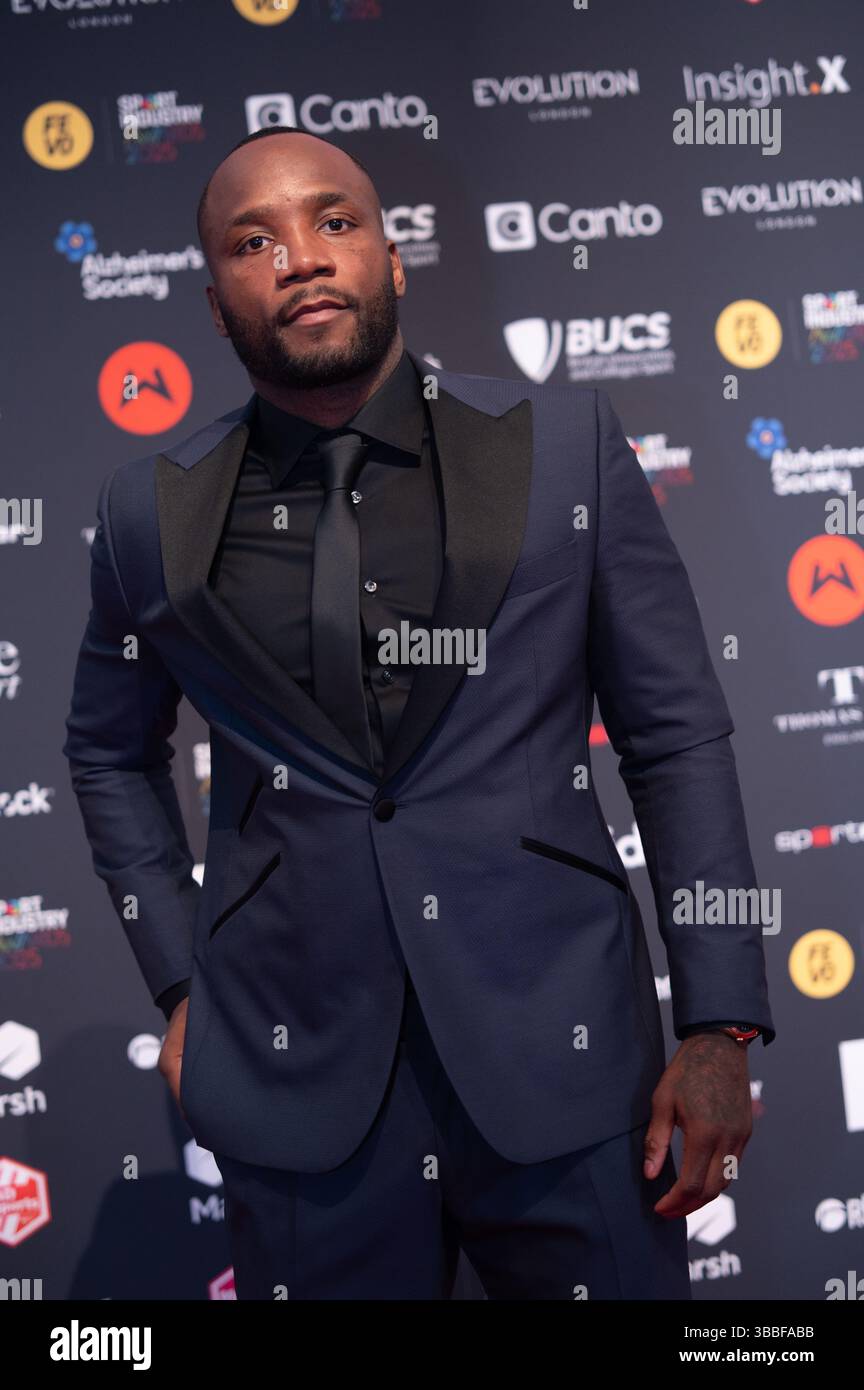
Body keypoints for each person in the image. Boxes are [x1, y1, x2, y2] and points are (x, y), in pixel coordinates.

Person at [63, 126, 775, 1300]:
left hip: (568, 1067)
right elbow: (104, 751)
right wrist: (182, 983)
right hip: (300, 1089)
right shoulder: (149, 514)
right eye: (256, 240)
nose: (300, 257)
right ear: (215, 299)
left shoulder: (563, 455)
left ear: (392, 258)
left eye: (333, 221)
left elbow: (678, 735)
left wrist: (719, 1024)